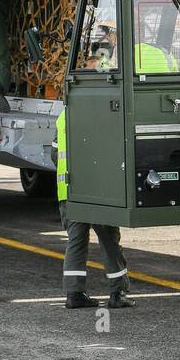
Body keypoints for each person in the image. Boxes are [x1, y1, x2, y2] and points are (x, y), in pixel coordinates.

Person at [56, 106, 133, 309]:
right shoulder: (99, 110)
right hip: (98, 191)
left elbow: (54, 153)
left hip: (68, 191)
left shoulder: (63, 116)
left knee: (76, 242)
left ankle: (74, 294)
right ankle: (118, 292)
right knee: (109, 241)